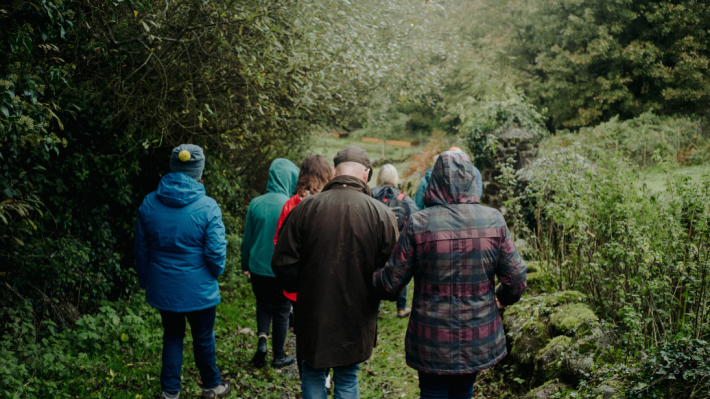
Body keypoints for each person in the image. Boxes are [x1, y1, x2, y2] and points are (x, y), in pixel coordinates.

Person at [373, 150, 527, 399]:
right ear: (470, 180)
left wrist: (369, 275)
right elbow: (517, 281)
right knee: (464, 391)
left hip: (431, 340)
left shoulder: (418, 223)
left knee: (432, 392)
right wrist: (500, 298)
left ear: (434, 181)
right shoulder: (493, 221)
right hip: (478, 337)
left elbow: (390, 285)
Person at [272, 145, 399, 399]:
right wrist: (372, 291)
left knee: (312, 372)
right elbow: (393, 274)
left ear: (334, 171)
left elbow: (282, 263)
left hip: (313, 311)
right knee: (347, 376)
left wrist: (307, 287)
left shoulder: (305, 209)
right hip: (358, 315)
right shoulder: (382, 214)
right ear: (366, 174)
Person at [134, 144, 231, 399]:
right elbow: (216, 255)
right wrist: (214, 272)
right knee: (203, 337)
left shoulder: (149, 203)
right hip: (199, 289)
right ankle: (211, 386)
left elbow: (141, 250)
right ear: (199, 171)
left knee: (173, 336)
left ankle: (170, 393)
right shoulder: (208, 207)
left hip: (164, 287)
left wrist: (146, 280)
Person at [272, 155, 333, 378]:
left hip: (298, 286)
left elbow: (279, 244)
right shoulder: (331, 202)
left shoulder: (291, 204)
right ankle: (325, 374)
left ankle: (308, 371)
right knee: (325, 328)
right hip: (326, 279)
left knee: (303, 333)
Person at [241, 158, 300, 368]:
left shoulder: (256, 203)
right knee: (282, 310)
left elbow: (247, 238)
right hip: (280, 270)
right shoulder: (292, 205)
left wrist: (244, 264)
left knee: (263, 305)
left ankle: (262, 342)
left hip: (257, 268)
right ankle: (278, 355)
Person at [371, 164, 418, 318]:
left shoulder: (370, 196)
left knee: (375, 272)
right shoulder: (403, 199)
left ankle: (375, 308)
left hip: (375, 245)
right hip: (397, 245)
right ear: (395, 178)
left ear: (379, 178)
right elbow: (416, 218)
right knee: (401, 272)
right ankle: (401, 307)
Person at [413, 147, 483, 209]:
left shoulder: (435, 174)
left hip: (433, 211)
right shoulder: (474, 171)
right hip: (465, 209)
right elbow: (478, 191)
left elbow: (418, 202)